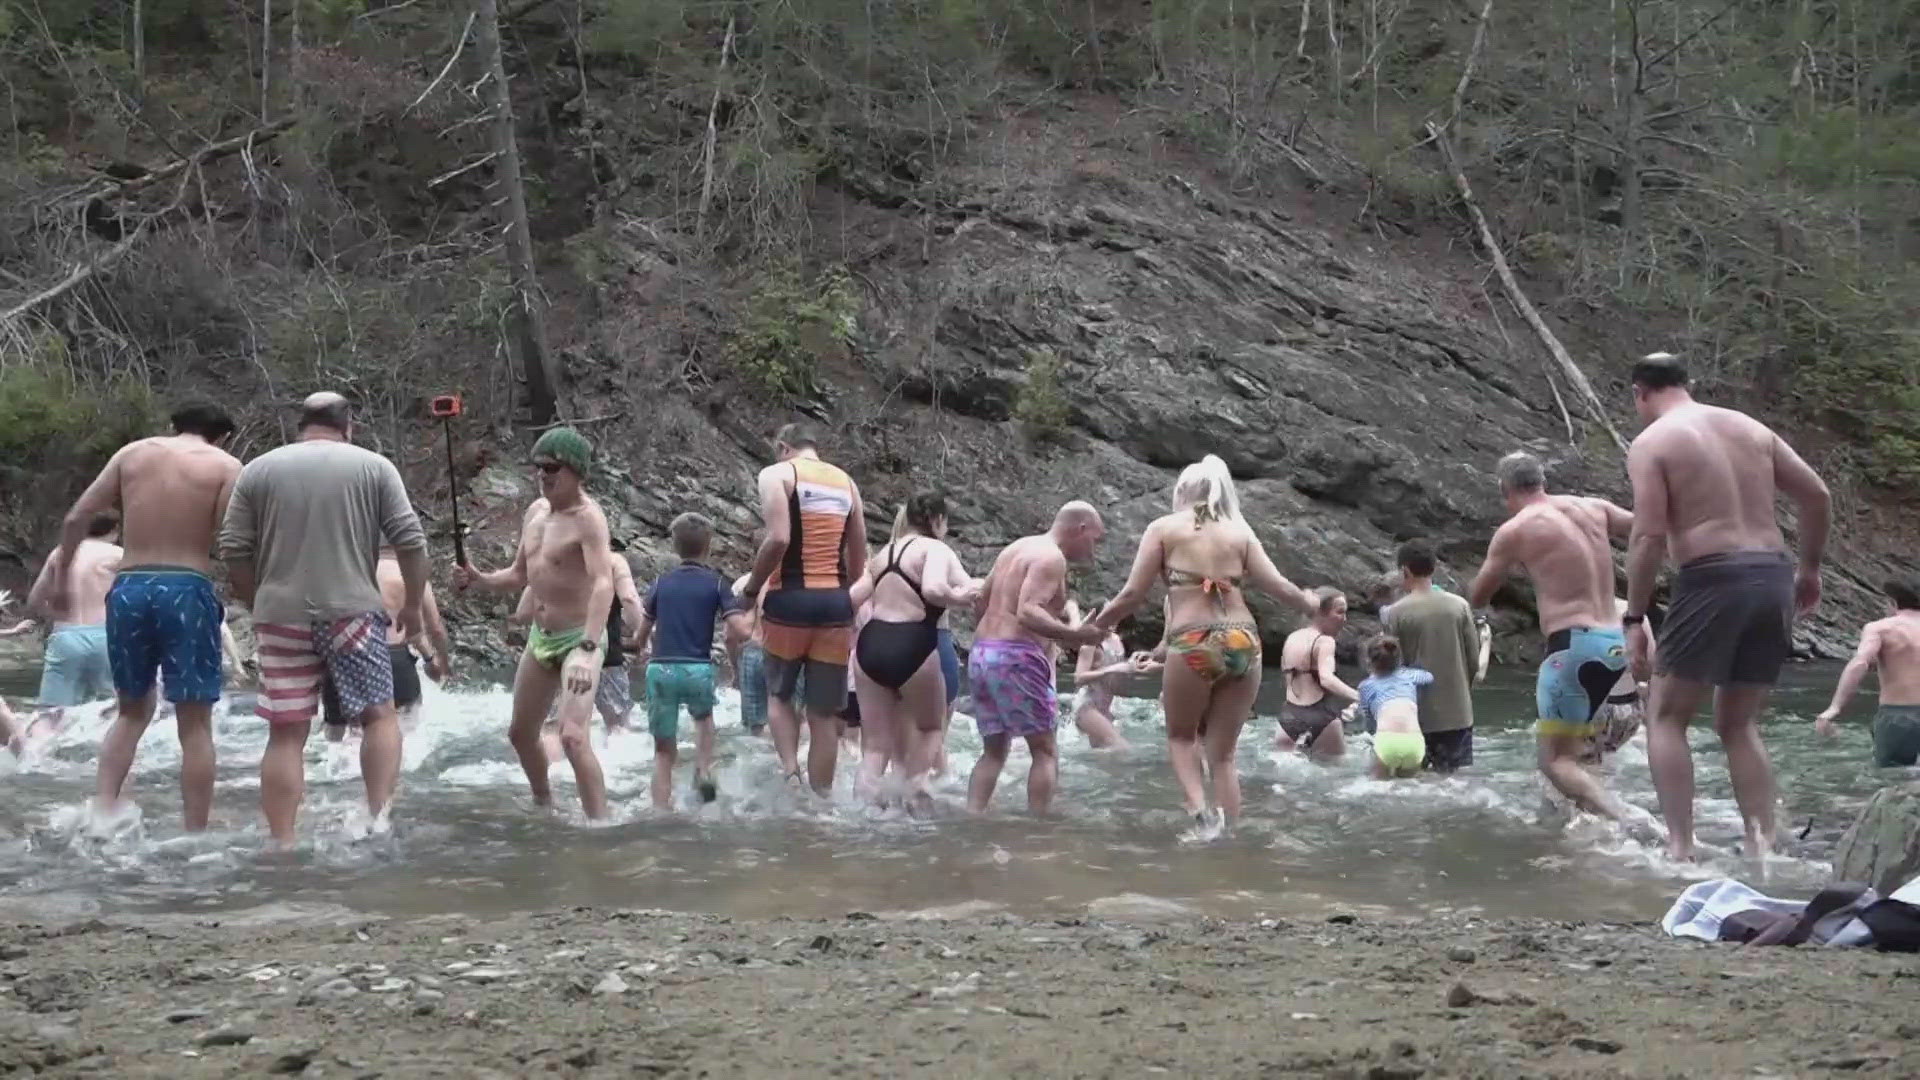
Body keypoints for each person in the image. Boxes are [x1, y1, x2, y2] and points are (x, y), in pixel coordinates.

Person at [1623, 352, 1830, 862]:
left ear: (1639, 393)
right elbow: (1817, 496)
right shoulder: (1748, 427)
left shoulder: (1653, 442)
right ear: (1686, 383)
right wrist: (1809, 568)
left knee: (1666, 716)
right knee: (1738, 722)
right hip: (1773, 573)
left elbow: (1648, 535)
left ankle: (1680, 848)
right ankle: (1763, 844)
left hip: (1714, 576)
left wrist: (1634, 616)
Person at [220, 393, 427, 846]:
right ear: (347, 424)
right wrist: (411, 603)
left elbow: (233, 547)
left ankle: (283, 843)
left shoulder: (258, 469)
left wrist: (258, 598)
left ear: (300, 425)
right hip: (352, 611)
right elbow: (410, 541)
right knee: (378, 716)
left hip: (280, 614)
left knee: (286, 730)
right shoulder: (373, 467)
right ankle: (376, 820)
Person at [1092, 456, 1319, 839]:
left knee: (1181, 738)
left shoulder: (1163, 528)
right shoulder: (1239, 532)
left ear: (1181, 491)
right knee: (1224, 755)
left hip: (1193, 638)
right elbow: (1279, 587)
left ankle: (1201, 816)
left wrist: (1095, 626)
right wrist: (1310, 604)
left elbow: (1132, 593)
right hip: (1243, 640)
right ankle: (1230, 835)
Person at [45, 402, 241, 831]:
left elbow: (76, 516)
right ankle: (195, 830)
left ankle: (102, 812)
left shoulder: (131, 454)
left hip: (130, 587)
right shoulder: (227, 466)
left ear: (172, 427)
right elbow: (234, 538)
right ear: (222, 435)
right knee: (195, 720)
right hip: (186, 586)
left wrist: (60, 582)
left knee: (131, 711)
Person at [455, 427, 615, 820]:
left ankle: (601, 827)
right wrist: (478, 579)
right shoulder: (534, 513)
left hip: (581, 639)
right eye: (538, 468)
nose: (543, 475)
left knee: (573, 737)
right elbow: (517, 576)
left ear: (576, 470)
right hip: (540, 638)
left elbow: (603, 582)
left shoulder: (589, 519)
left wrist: (588, 648)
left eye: (552, 468)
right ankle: (544, 806)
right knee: (520, 735)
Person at [1467, 451, 1635, 819]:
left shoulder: (1516, 530)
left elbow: (1478, 596)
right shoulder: (1595, 508)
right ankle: (1590, 837)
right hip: (1616, 643)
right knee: (1585, 754)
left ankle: (1633, 824)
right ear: (1542, 480)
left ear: (1504, 488)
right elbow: (1648, 528)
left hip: (1572, 647)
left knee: (1555, 761)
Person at [737, 423, 868, 795]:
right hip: (834, 606)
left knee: (779, 695)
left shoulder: (777, 474)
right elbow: (858, 557)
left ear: (783, 447)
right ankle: (822, 799)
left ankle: (792, 772)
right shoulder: (846, 482)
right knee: (824, 713)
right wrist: (847, 600)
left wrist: (750, 591)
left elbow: (779, 538)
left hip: (788, 603)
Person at [966, 502, 1108, 815]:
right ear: (1080, 529)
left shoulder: (1017, 548)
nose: (1094, 551)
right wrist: (1077, 636)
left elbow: (980, 600)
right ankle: (1038, 829)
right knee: (1044, 750)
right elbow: (1028, 611)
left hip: (982, 653)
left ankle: (972, 816)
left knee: (994, 751)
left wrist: (993, 643)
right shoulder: (1051, 557)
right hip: (1016, 657)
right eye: (1094, 540)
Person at [848, 493, 979, 807]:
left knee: (876, 745)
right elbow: (936, 589)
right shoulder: (936, 549)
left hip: (870, 644)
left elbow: (852, 599)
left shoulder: (882, 554)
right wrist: (964, 597)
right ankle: (912, 795)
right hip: (913, 641)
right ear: (937, 520)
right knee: (931, 727)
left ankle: (862, 810)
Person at [626, 513, 748, 809]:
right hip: (697, 669)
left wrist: (631, 647)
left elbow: (640, 638)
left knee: (663, 752)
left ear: (674, 546)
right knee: (704, 720)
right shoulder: (717, 584)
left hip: (661, 669)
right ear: (708, 547)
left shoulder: (660, 584)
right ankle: (703, 769)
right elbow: (740, 629)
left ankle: (660, 810)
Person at [322, 547, 453, 743]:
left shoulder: (345, 571)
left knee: (336, 738)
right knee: (403, 736)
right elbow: (433, 629)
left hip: (343, 660)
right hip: (393, 659)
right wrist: (437, 661)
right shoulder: (411, 576)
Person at [15, 513, 122, 752]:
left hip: (66, 636)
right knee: (118, 710)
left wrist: (54, 617)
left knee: (50, 715)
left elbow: (34, 601)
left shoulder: (61, 553)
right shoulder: (119, 555)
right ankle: (105, 759)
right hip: (107, 637)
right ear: (115, 530)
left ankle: (32, 759)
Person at [1383, 539, 1479, 773]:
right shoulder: (1459, 606)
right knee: (1449, 780)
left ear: (1404, 570)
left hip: (1415, 715)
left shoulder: (1395, 613)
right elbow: (1473, 661)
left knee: (1413, 780)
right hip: (1457, 713)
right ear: (1434, 569)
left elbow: (1389, 667)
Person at [1816, 579, 1920, 767]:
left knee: (1894, 779)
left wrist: (1835, 707)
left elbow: (1859, 664)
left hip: (1898, 717)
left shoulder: (1881, 628)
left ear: (1893, 603)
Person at [1275, 587, 1359, 758]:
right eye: (1340, 612)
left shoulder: (1292, 637)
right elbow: (1327, 679)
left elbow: (1287, 678)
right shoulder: (1325, 641)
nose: (1344, 619)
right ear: (1321, 612)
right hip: (1320, 715)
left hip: (1288, 717)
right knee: (1337, 777)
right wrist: (1359, 696)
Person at [1354, 636, 1431, 779]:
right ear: (1399, 659)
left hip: (1387, 741)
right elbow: (1428, 677)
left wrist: (1371, 732)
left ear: (1368, 661)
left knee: (1378, 787)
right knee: (1409, 788)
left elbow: (1369, 718)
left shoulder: (1366, 686)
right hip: (1414, 743)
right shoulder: (1410, 676)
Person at [1071, 599, 1143, 750]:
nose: (1114, 618)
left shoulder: (1116, 640)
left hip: (1105, 707)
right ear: (1098, 617)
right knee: (1122, 748)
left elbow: (1117, 676)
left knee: (1103, 754)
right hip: (1087, 706)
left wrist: (1134, 666)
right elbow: (1078, 678)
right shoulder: (1090, 644)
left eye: (1115, 613)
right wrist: (1112, 670)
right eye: (1109, 613)